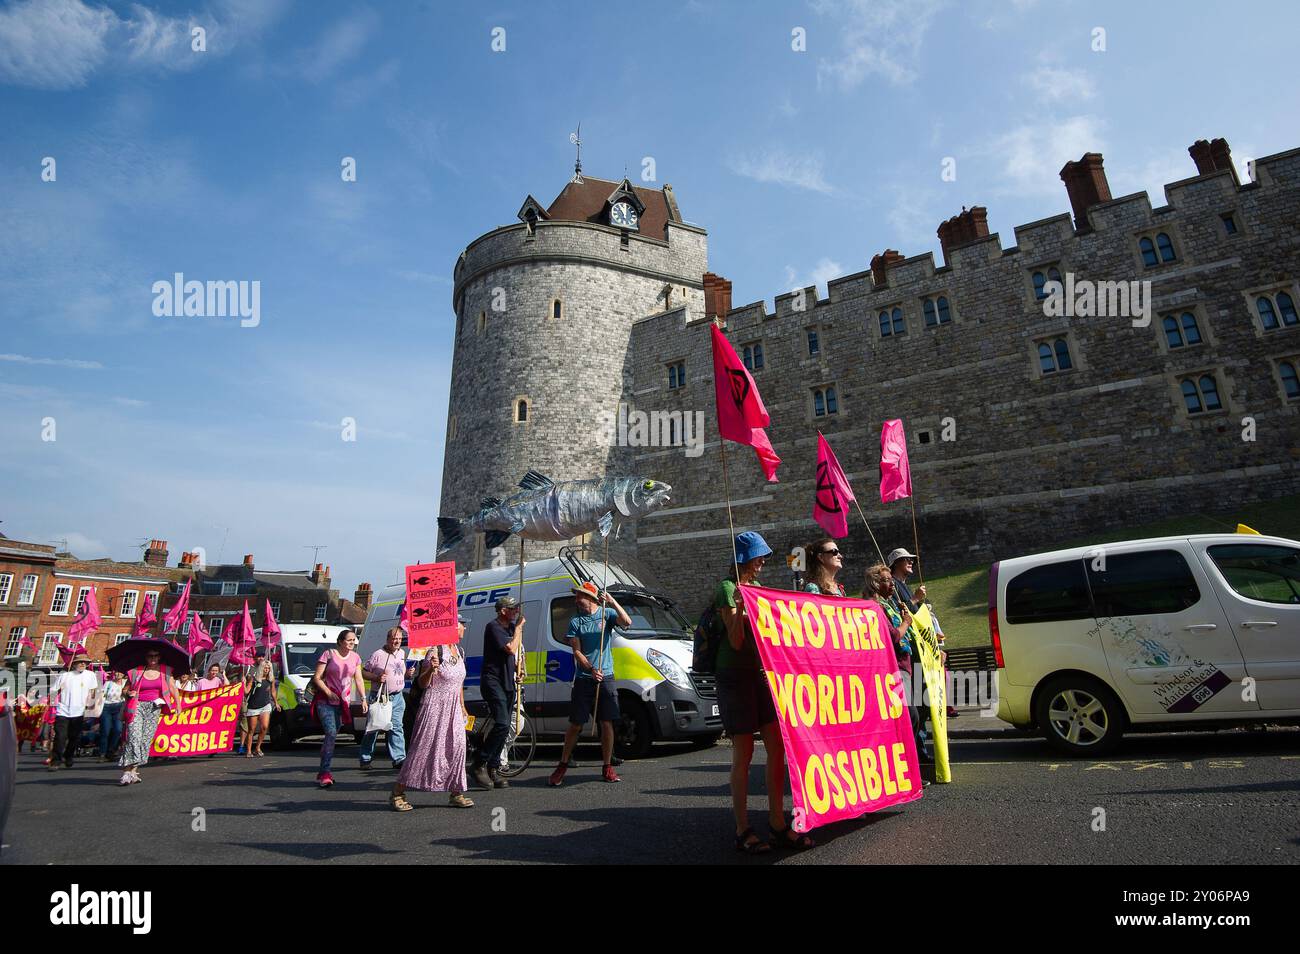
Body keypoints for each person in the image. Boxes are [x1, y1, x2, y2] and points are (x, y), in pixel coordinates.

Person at [716, 532, 813, 853]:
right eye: (758, 556)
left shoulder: (758, 590)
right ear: (742, 558)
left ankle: (777, 823)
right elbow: (736, 641)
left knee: (778, 750)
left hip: (762, 676)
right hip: (735, 676)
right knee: (743, 754)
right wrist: (742, 610)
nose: (762, 561)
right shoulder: (728, 589)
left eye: (763, 556)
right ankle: (742, 829)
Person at [548, 582, 633, 787]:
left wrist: (612, 601)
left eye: (580, 596)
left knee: (606, 723)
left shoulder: (606, 614)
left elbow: (627, 621)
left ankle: (607, 766)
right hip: (585, 678)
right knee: (576, 724)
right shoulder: (576, 621)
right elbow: (576, 650)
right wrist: (590, 669)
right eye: (577, 596)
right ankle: (562, 765)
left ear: (592, 598)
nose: (577, 599)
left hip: (607, 677)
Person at [390, 617, 474, 811]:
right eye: (462, 624)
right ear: (452, 627)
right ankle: (397, 792)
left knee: (458, 747)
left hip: (453, 707)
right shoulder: (435, 650)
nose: (465, 627)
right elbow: (422, 683)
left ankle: (456, 792)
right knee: (423, 749)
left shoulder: (459, 651)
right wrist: (431, 669)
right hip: (434, 706)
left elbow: (458, 682)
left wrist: (462, 705)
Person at [866, 563, 928, 763]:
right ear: (875, 584)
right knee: (910, 717)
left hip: (905, 666)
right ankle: (905, 762)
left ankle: (907, 761)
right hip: (893, 668)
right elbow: (892, 636)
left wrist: (904, 617)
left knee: (917, 713)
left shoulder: (890, 604)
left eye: (892, 581)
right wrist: (905, 623)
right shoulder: (875, 606)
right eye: (886, 581)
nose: (892, 585)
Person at [887, 547, 957, 719]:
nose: (911, 562)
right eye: (907, 559)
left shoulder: (903, 586)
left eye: (912, 560)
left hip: (921, 646)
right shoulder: (893, 586)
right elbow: (900, 615)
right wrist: (916, 599)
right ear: (896, 563)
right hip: (912, 649)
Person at [471, 596, 524, 791]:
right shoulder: (493, 627)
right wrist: (518, 629)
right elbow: (510, 648)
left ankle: (493, 767)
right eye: (513, 609)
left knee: (505, 726)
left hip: (508, 681)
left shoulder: (510, 629)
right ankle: (479, 763)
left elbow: (517, 653)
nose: (516, 612)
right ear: (503, 611)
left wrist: (520, 670)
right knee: (501, 722)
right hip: (493, 681)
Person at [310, 630, 367, 788]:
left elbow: (359, 679)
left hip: (343, 703)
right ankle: (326, 773)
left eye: (353, 640)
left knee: (332, 737)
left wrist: (363, 699)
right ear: (341, 641)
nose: (352, 643)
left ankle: (323, 770)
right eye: (349, 640)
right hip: (325, 701)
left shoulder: (355, 658)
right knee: (331, 732)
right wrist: (328, 692)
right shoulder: (329, 655)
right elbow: (317, 677)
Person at [119, 648, 183, 786]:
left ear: (160, 657)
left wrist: (178, 705)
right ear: (146, 657)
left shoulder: (165, 671)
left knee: (145, 740)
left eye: (156, 655)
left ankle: (134, 771)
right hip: (136, 706)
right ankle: (126, 772)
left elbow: (173, 688)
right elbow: (125, 689)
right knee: (133, 737)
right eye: (150, 655)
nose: (153, 658)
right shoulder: (137, 671)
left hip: (154, 708)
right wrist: (128, 692)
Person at [360, 627, 407, 771]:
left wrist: (408, 674)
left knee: (397, 727)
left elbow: (399, 673)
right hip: (380, 697)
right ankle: (365, 758)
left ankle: (399, 759)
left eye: (399, 638)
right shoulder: (378, 655)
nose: (397, 641)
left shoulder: (402, 653)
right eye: (394, 638)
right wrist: (376, 677)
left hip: (398, 696)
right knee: (374, 728)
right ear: (388, 639)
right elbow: (364, 672)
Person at [50, 654, 100, 771]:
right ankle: (55, 761)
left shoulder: (91, 675)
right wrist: (54, 705)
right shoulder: (65, 675)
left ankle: (68, 756)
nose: (82, 664)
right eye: (80, 662)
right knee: (60, 737)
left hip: (79, 712)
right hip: (62, 711)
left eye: (85, 662)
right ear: (74, 664)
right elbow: (53, 690)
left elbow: (93, 693)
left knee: (74, 737)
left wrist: (90, 710)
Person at [241, 658, 280, 757]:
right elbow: (246, 692)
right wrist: (243, 683)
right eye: (265, 668)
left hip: (265, 705)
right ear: (261, 668)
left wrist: (276, 703)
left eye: (268, 668)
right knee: (252, 729)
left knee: (264, 727)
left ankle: (258, 747)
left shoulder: (270, 680)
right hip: (253, 706)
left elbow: (273, 691)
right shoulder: (253, 679)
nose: (266, 670)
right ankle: (249, 750)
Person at [98, 671, 126, 762]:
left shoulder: (125, 683)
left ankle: (111, 751)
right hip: (107, 707)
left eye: (120, 672)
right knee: (105, 731)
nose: (118, 674)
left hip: (119, 707)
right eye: (117, 672)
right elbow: (101, 695)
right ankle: (102, 754)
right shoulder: (108, 683)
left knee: (118, 730)